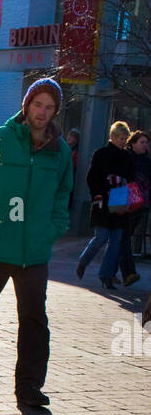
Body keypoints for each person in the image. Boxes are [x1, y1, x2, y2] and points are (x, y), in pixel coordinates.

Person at [0, 77, 73, 409]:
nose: (43, 112)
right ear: (27, 105)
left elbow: (64, 192)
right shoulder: (1, 138)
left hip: (35, 251)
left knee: (35, 320)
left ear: (55, 111)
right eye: (38, 105)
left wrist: (54, 227)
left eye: (49, 107)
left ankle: (29, 387)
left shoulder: (60, 151)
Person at [77, 121, 133, 290]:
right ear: (113, 137)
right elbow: (92, 177)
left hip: (120, 200)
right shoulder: (101, 154)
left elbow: (130, 178)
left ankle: (106, 276)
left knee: (115, 241)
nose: (123, 142)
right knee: (101, 237)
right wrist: (102, 191)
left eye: (125, 139)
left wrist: (126, 192)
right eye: (121, 138)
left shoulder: (126, 157)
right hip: (103, 202)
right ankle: (83, 261)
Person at [116, 129, 150, 288]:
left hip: (140, 205)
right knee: (122, 237)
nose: (145, 145)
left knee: (123, 237)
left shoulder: (147, 162)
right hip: (124, 202)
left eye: (146, 143)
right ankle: (126, 273)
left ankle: (110, 271)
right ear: (133, 143)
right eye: (142, 142)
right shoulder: (125, 158)